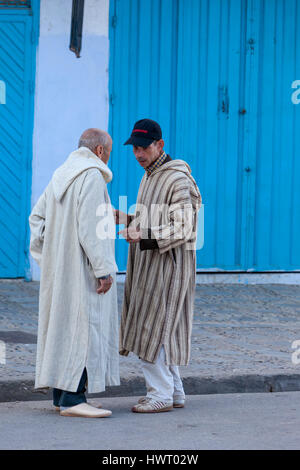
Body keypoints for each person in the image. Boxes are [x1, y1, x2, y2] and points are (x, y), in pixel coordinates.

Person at [29, 129, 119, 418]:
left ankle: (61, 395)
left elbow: (37, 218)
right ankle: (73, 399)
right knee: (83, 330)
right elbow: (93, 230)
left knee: (64, 329)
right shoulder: (91, 176)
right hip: (82, 269)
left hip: (62, 270)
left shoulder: (60, 175)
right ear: (100, 151)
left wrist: (52, 257)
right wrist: (103, 269)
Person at [115, 119, 202, 413]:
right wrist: (127, 220)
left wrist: (145, 235)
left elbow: (186, 227)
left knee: (155, 327)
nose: (139, 154)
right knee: (158, 327)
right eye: (135, 149)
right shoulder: (149, 176)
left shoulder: (177, 179)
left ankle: (160, 394)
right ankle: (174, 391)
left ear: (160, 145)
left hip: (169, 269)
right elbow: (150, 220)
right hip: (149, 266)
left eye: (144, 148)